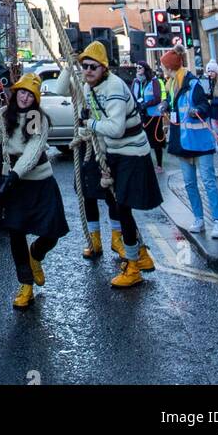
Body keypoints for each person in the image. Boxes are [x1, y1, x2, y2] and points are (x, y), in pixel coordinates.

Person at [77, 41, 161, 287]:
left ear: (104, 68)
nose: (88, 70)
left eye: (93, 66)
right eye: (84, 66)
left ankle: (133, 266)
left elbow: (114, 128)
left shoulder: (113, 86)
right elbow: (63, 87)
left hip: (131, 154)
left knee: (122, 207)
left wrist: (89, 126)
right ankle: (141, 255)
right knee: (116, 203)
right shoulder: (90, 85)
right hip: (116, 153)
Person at [0, 72, 69, 309]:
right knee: (16, 233)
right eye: (22, 92)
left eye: (30, 94)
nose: (25, 98)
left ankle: (37, 253)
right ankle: (25, 285)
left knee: (52, 232)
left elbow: (34, 150)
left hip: (39, 180)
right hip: (13, 182)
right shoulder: (3, 115)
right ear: (15, 93)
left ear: (36, 99)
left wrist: (16, 173)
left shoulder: (36, 117)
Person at [162, 47, 218, 240]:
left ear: (169, 67)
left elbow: (205, 107)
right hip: (182, 142)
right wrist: (166, 106)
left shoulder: (193, 83)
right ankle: (198, 218)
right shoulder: (172, 84)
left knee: (208, 182)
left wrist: (197, 108)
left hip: (200, 142)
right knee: (190, 184)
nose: (162, 69)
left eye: (164, 66)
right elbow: (175, 108)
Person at [131, 62, 164, 169]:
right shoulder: (136, 82)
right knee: (142, 139)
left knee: (155, 140)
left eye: (140, 68)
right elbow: (132, 96)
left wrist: (145, 104)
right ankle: (146, 163)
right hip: (140, 115)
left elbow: (157, 98)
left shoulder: (153, 82)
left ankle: (159, 164)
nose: (138, 69)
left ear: (145, 69)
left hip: (153, 115)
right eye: (136, 68)